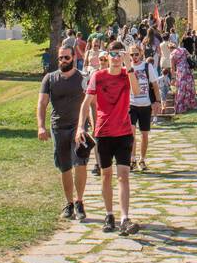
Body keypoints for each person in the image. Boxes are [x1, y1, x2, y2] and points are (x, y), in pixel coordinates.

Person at [77, 41, 140, 236]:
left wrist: (129, 67)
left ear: (123, 56)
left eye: (118, 53)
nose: (115, 57)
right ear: (107, 55)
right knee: (106, 176)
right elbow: (86, 103)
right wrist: (81, 126)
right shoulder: (98, 76)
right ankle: (109, 214)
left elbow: (137, 92)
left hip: (123, 133)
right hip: (103, 133)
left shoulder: (126, 75)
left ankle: (124, 218)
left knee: (123, 176)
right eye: (112, 53)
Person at [37, 46, 89, 221]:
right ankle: (69, 203)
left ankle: (79, 202)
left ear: (74, 57)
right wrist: (41, 127)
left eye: (66, 57)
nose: (63, 61)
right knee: (64, 166)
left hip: (78, 126)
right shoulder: (50, 78)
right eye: (60, 58)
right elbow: (42, 103)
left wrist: (96, 126)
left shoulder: (83, 78)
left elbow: (92, 102)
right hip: (58, 127)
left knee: (80, 163)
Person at [126, 43, 160, 171]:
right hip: (131, 104)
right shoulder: (127, 68)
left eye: (136, 54)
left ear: (141, 53)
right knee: (131, 132)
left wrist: (157, 101)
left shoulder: (147, 66)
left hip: (145, 104)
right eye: (131, 54)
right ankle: (132, 158)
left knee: (144, 134)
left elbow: (155, 85)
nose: (134, 57)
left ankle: (142, 159)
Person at [172, 39, 197, 113]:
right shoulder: (184, 50)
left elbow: (173, 67)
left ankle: (181, 105)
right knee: (189, 87)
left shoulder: (172, 54)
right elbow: (190, 56)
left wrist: (173, 78)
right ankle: (190, 104)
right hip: (187, 69)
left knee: (181, 88)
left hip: (180, 71)